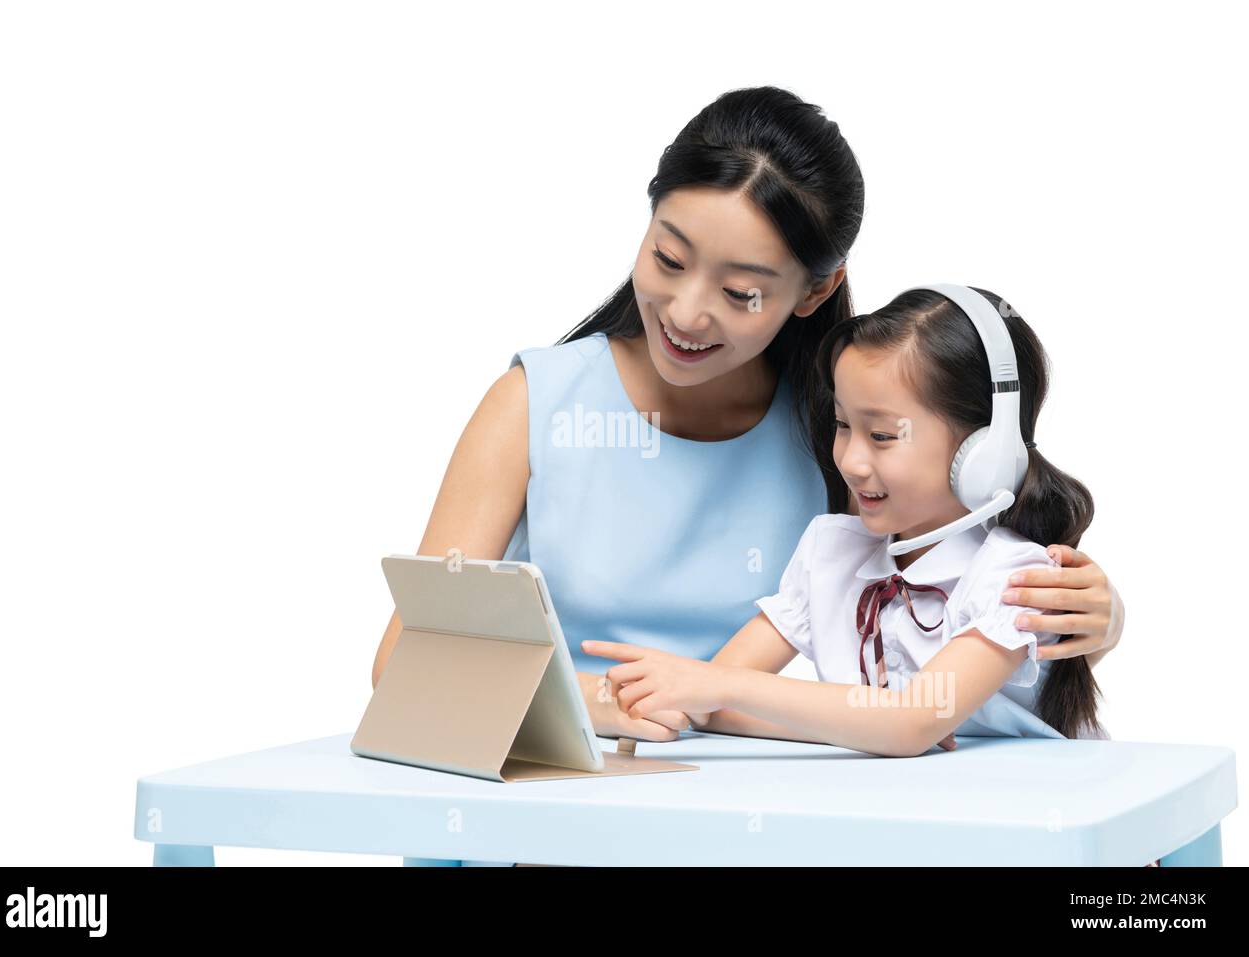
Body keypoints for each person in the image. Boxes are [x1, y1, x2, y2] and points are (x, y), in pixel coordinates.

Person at [374, 88, 1125, 866]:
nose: (687, 312)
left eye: (741, 293)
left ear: (816, 291)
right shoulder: (535, 403)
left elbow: (939, 637)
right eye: (668, 257)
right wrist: (612, 705)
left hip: (760, 811)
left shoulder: (840, 432)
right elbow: (406, 658)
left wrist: (1089, 625)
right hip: (570, 797)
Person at [583, 285, 1109, 754]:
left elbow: (908, 725)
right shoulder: (830, 550)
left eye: (882, 436)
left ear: (984, 451)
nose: (851, 461)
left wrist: (884, 724)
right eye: (841, 425)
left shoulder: (1012, 575)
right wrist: (855, 724)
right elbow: (711, 705)